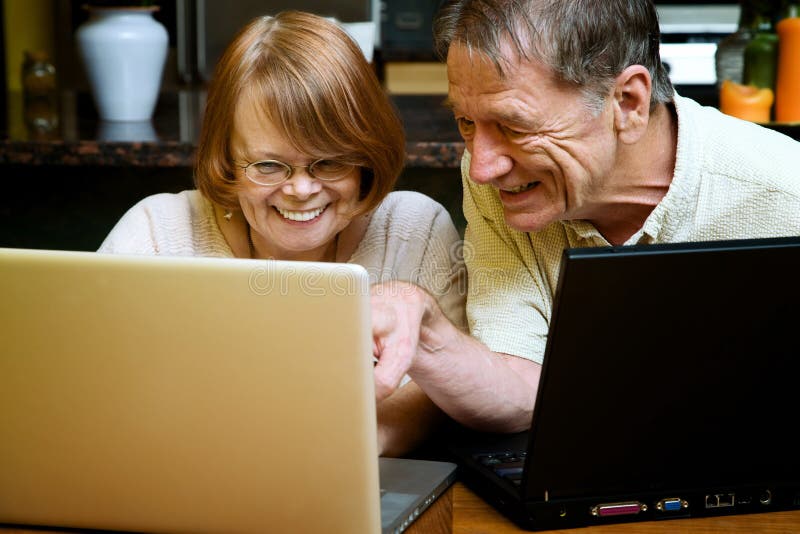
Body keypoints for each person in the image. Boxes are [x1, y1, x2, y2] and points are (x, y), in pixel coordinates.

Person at [371, 0, 800, 434]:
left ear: (628, 103)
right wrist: (426, 330)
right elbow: (519, 386)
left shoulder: (786, 195)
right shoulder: (502, 182)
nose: (482, 166)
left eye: (515, 127)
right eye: (465, 122)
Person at [98, 11, 466, 457]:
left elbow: (454, 389)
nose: (301, 190)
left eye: (329, 162)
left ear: (366, 156)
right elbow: (91, 389)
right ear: (228, 160)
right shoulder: (157, 233)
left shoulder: (415, 231)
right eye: (269, 165)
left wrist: (352, 448)